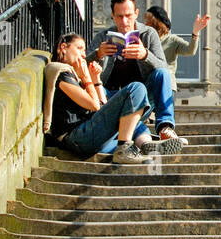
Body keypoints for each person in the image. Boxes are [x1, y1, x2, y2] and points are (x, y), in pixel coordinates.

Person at [87, 0, 183, 154]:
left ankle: (165, 127)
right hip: (111, 98)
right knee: (92, 89)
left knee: (162, 74)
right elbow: (81, 68)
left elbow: (163, 67)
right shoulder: (103, 36)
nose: (124, 22)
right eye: (119, 17)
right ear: (112, 15)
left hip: (143, 97)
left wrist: (145, 55)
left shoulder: (149, 34)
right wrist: (98, 54)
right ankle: (145, 141)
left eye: (128, 16)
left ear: (136, 13)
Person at [43, 33, 152, 163]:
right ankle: (125, 149)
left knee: (133, 121)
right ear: (63, 47)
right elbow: (93, 105)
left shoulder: (73, 74)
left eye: (84, 50)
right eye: (79, 48)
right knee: (136, 88)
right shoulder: (61, 73)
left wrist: (96, 80)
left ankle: (146, 146)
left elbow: (102, 105)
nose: (83, 55)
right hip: (77, 138)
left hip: (89, 137)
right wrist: (86, 78)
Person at [144, 4, 209, 147]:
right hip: (149, 83)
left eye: (148, 20)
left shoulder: (172, 40)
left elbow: (190, 50)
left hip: (167, 85)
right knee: (143, 111)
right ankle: (146, 135)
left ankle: (165, 133)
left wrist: (195, 33)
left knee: (162, 112)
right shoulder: (146, 39)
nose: (145, 23)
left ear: (156, 21)